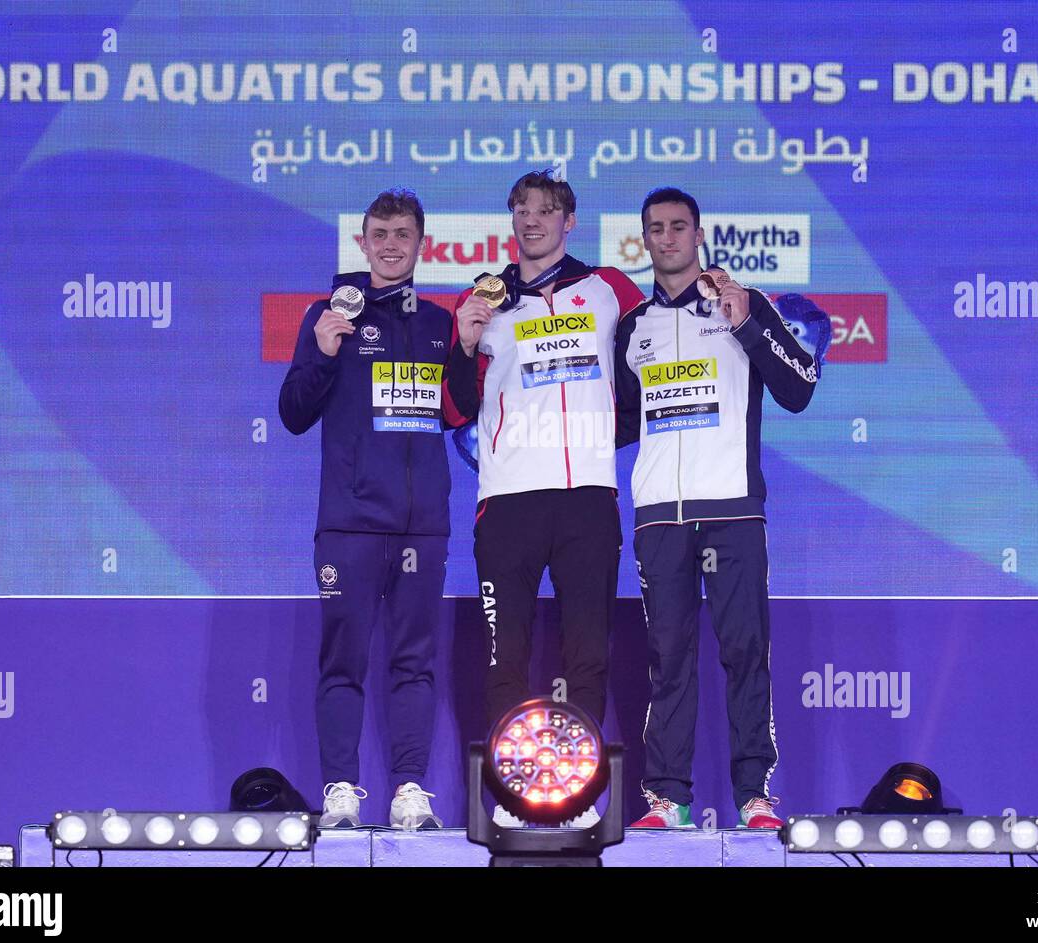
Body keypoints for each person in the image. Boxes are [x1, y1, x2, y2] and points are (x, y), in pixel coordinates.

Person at [613, 187, 829, 829]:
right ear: (644, 239)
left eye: (680, 227)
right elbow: (623, 419)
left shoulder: (747, 306)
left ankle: (754, 795)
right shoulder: (632, 328)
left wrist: (746, 323)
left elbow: (798, 389)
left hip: (734, 510)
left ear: (700, 234)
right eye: (657, 228)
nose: (668, 238)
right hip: (659, 514)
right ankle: (667, 797)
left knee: (744, 653)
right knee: (668, 658)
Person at [443, 170, 645, 827]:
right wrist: (466, 342)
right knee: (507, 657)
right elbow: (453, 409)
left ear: (569, 222)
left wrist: (605, 439)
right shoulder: (483, 299)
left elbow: (649, 369)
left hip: (588, 499)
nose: (532, 222)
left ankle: (579, 795)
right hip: (507, 505)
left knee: (588, 655)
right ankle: (512, 793)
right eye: (521, 211)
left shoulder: (610, 289)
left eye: (546, 211)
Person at [279, 188, 452, 830]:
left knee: (415, 665)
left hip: (421, 529)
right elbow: (293, 413)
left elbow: (463, 412)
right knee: (342, 663)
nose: (389, 244)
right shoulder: (330, 317)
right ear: (362, 242)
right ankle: (341, 793)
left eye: (402, 234)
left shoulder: (441, 324)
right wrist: (323, 353)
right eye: (378, 233)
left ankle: (409, 790)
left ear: (420, 243)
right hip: (348, 527)